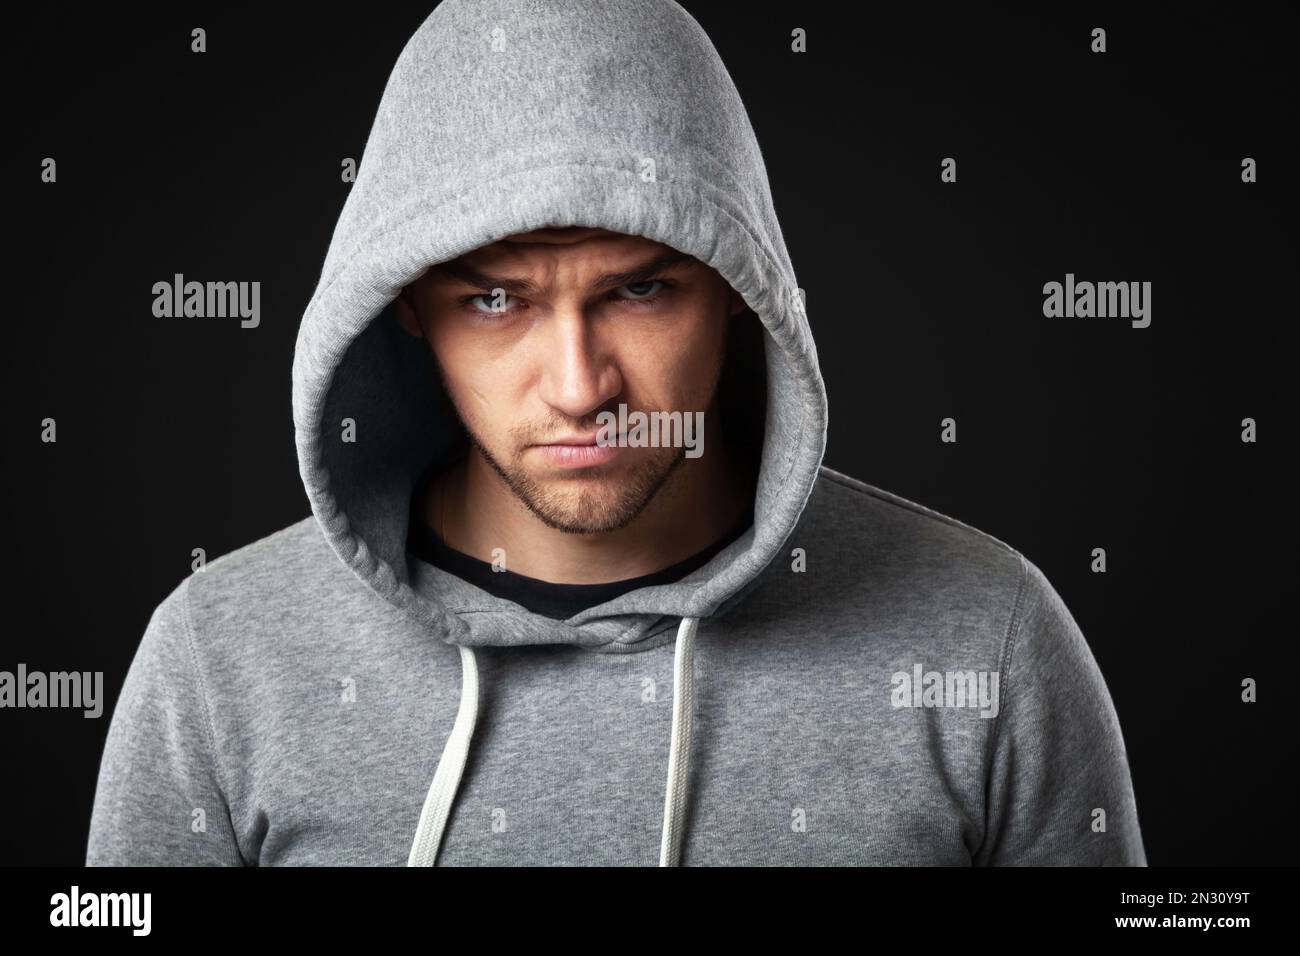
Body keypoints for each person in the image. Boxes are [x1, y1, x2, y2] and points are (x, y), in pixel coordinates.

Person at [87, 0, 1146, 866]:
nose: (580, 384)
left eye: (640, 289)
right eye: (495, 301)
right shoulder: (221, 661)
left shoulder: (985, 639)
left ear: (736, 285)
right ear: (407, 304)